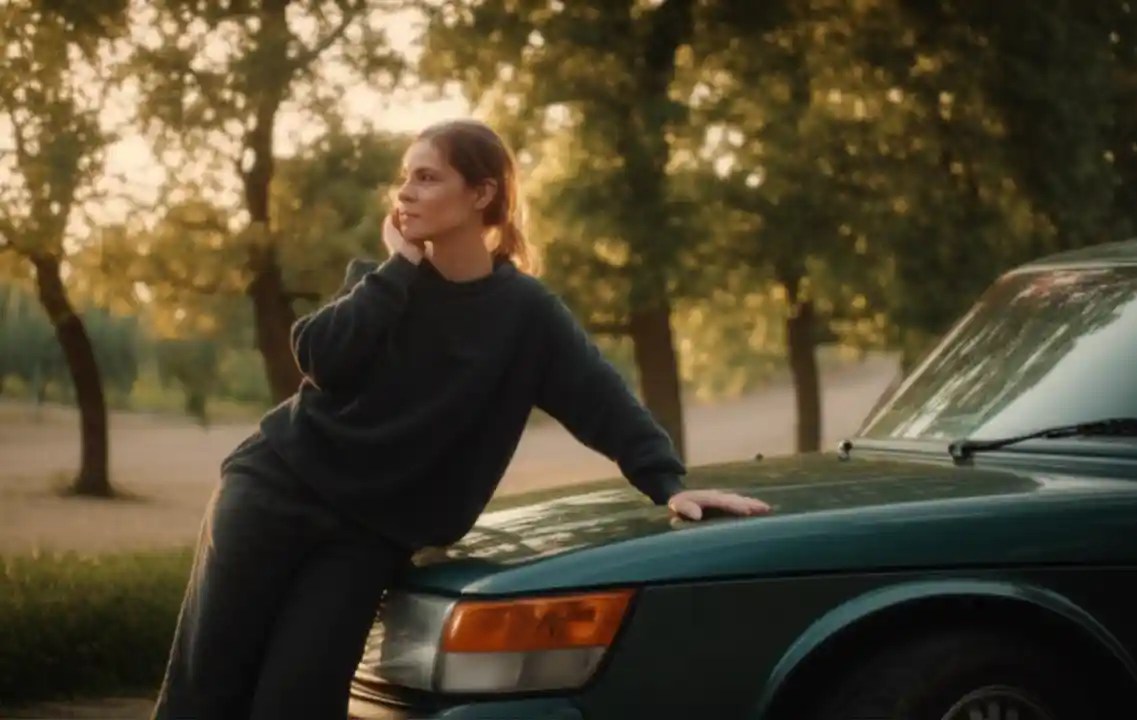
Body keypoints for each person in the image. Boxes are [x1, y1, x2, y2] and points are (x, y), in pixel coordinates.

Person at [151, 118, 771, 720]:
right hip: (272, 493)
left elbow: (601, 401)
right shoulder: (379, 284)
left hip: (366, 537)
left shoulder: (525, 314)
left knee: (297, 704)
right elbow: (320, 357)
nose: (405, 192)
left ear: (481, 194)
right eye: (405, 178)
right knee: (206, 696)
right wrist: (397, 270)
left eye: (426, 177)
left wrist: (670, 483)